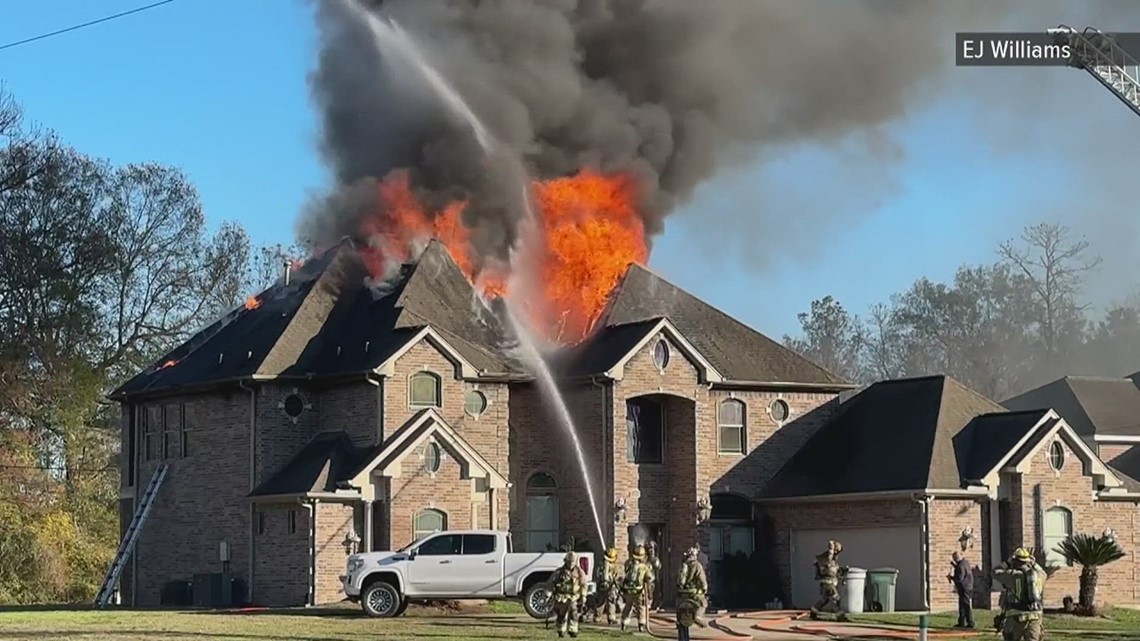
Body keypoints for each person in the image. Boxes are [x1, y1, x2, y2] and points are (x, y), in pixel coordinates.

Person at [993, 548, 1045, 641]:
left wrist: (1007, 563)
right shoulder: (1040, 575)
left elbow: (995, 572)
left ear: (1015, 562)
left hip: (1015, 619)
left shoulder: (1012, 575)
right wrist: (1034, 563)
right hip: (1035, 618)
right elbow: (1044, 572)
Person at [549, 551, 587, 638]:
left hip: (574, 596)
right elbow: (551, 582)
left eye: (573, 562)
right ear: (566, 561)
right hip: (561, 596)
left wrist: (583, 596)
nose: (571, 564)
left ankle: (573, 630)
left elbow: (584, 584)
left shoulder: (579, 572)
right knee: (562, 615)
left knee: (574, 612)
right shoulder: (559, 572)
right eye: (569, 562)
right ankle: (561, 630)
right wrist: (549, 592)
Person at [676, 547, 709, 641]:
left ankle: (682, 636)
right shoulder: (697, 565)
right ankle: (698, 616)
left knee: (680, 616)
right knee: (703, 603)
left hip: (682, 594)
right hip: (693, 593)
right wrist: (704, 589)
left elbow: (679, 580)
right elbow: (703, 581)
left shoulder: (683, 565)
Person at [809, 539, 847, 621]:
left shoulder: (833, 561)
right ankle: (840, 616)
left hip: (829, 582)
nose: (838, 553)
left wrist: (841, 570)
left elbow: (835, 571)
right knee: (836, 598)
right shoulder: (828, 557)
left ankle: (813, 612)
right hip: (828, 583)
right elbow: (830, 550)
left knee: (824, 600)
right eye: (837, 550)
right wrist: (833, 545)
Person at [620, 544, 652, 633]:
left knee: (628, 606)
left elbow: (626, 572)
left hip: (628, 590)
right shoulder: (644, 567)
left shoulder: (628, 564)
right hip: (639, 590)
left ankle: (624, 622)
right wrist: (649, 594)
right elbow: (649, 578)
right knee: (641, 608)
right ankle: (641, 625)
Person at [948, 551, 975, 628]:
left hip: (964, 587)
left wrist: (952, 578)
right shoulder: (965, 562)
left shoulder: (960, 566)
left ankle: (970, 622)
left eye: (954, 559)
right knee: (962, 605)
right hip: (968, 586)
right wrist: (953, 565)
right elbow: (960, 568)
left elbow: (960, 577)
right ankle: (961, 622)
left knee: (966, 605)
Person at [645, 540, 662, 612]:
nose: (651, 551)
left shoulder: (654, 559)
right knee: (649, 592)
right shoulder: (645, 558)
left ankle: (655, 604)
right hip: (648, 578)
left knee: (653, 591)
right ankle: (648, 604)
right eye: (649, 549)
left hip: (653, 578)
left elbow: (658, 566)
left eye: (652, 548)